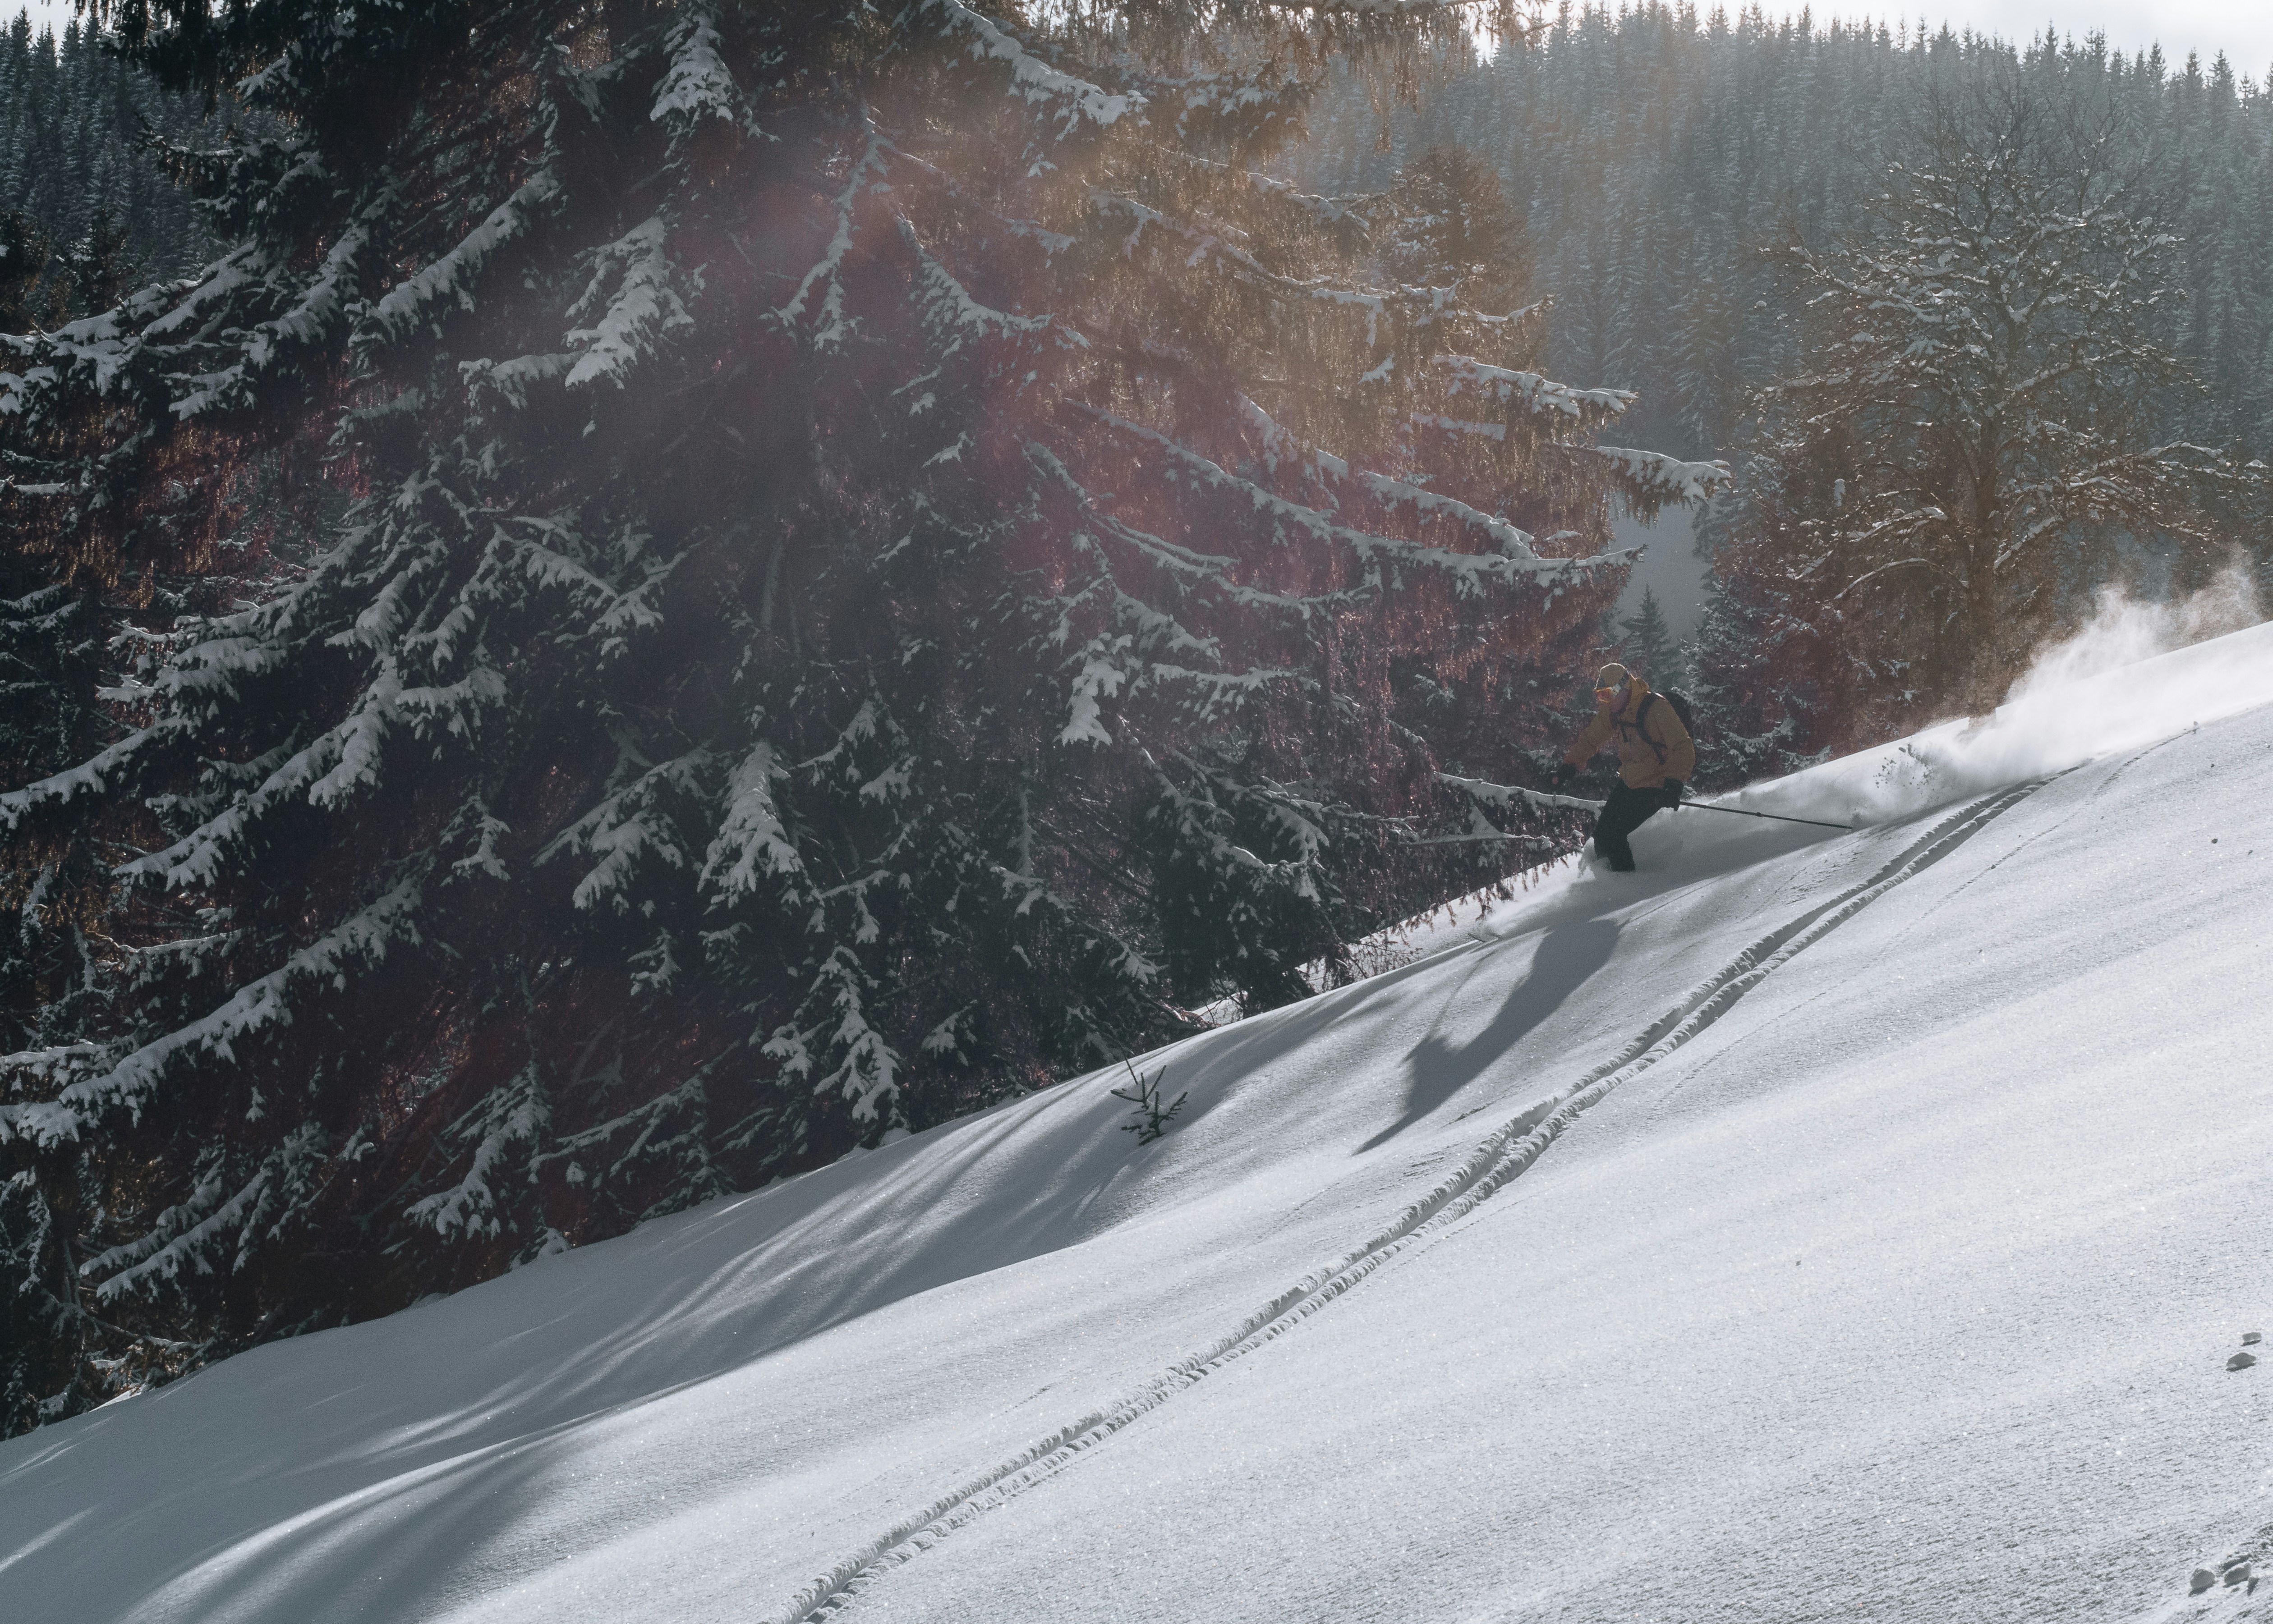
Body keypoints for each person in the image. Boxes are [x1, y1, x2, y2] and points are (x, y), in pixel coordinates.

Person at [1551, 662, 1694, 872]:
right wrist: (1570, 766)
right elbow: (1590, 740)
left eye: (1607, 695)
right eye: (1601, 696)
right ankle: (1610, 884)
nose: (1605, 702)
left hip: (1656, 785)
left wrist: (1673, 784)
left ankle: (1625, 888)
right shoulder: (1614, 712)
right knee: (1601, 838)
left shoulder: (1656, 708)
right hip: (1630, 781)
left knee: (1613, 837)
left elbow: (1683, 746)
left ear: (1623, 689)